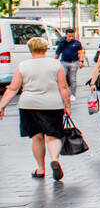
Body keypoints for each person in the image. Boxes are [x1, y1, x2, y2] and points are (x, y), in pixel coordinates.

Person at [0, 35, 72, 180]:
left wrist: (2, 106)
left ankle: (40, 169)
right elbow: (63, 87)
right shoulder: (56, 65)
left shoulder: (23, 66)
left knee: (37, 137)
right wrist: (67, 105)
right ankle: (54, 160)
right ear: (46, 48)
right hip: (52, 104)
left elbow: (13, 89)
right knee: (53, 136)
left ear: (30, 49)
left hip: (29, 105)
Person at [54, 28, 85, 100]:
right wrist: (54, 61)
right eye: (69, 36)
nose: (71, 38)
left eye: (72, 36)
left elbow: (80, 52)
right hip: (64, 62)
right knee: (63, 78)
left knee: (72, 79)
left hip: (74, 62)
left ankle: (73, 94)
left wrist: (81, 61)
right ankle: (65, 92)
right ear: (66, 35)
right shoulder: (62, 42)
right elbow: (58, 52)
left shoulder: (77, 43)